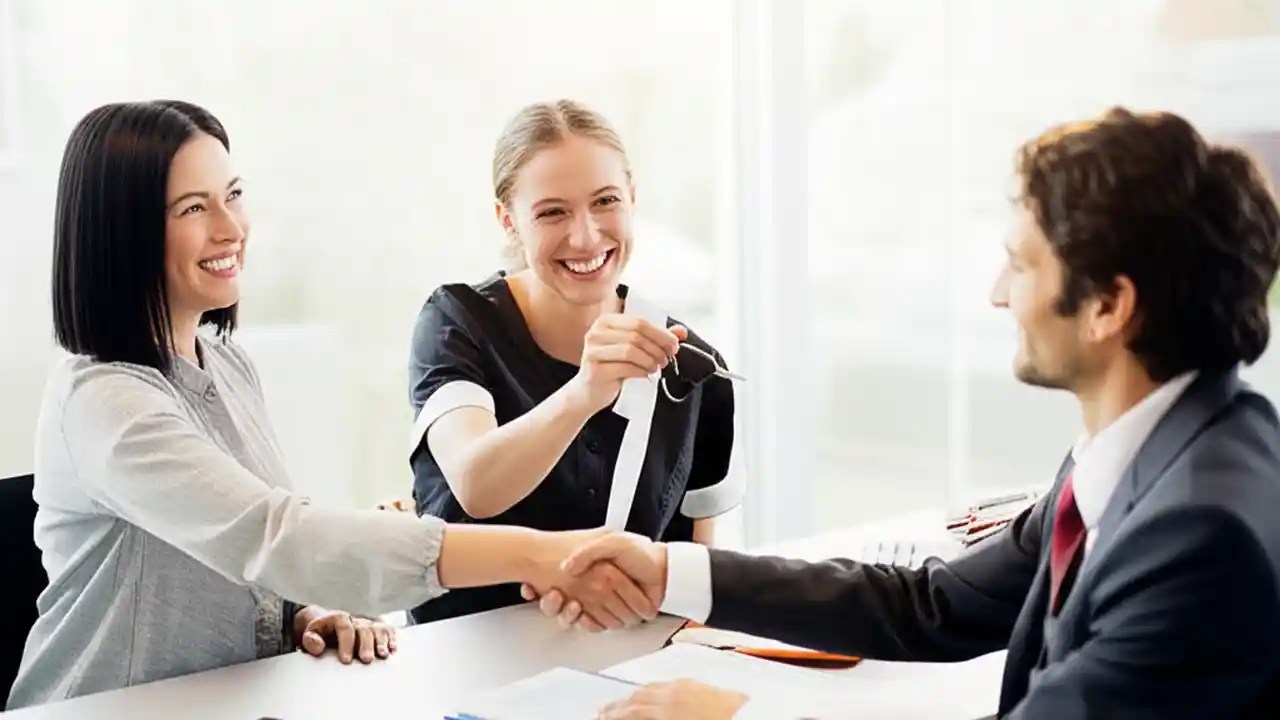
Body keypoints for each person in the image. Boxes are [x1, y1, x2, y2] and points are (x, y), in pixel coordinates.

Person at [555, 108, 1280, 719]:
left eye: (1020, 265)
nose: (999, 295)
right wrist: (669, 570)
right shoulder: (1149, 447)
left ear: (1107, 307)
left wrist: (744, 715)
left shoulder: (1198, 537)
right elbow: (931, 604)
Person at [7, 100, 655, 710]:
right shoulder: (105, 402)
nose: (232, 228)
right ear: (125, 234)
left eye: (233, 196)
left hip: (225, 696)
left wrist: (293, 616)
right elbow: (279, 536)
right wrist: (542, 554)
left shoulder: (224, 362)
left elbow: (226, 545)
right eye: (194, 208)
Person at [405, 99, 742, 626]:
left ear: (632, 195)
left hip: (626, 671)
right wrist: (585, 392)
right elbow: (476, 485)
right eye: (552, 211)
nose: (585, 237)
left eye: (605, 201)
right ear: (507, 219)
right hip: (463, 664)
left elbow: (697, 583)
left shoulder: (692, 366)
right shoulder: (456, 324)